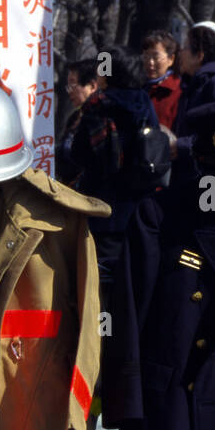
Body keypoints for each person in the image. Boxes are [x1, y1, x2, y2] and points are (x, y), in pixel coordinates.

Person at [67, 47, 159, 283]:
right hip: (141, 206)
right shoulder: (143, 101)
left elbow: (79, 154)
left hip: (103, 208)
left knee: (101, 283)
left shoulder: (98, 106)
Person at [164, 22, 215, 183]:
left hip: (211, 184)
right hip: (189, 176)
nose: (180, 53)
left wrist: (182, 146)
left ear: (199, 56)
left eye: (185, 48)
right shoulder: (192, 85)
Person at [56, 58, 99, 187]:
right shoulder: (75, 117)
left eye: (73, 85)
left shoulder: (99, 118)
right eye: (68, 86)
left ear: (92, 86)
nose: (69, 91)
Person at [141, 29, 182, 129]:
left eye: (155, 57)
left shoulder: (179, 91)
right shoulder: (138, 87)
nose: (150, 62)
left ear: (171, 59)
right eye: (146, 56)